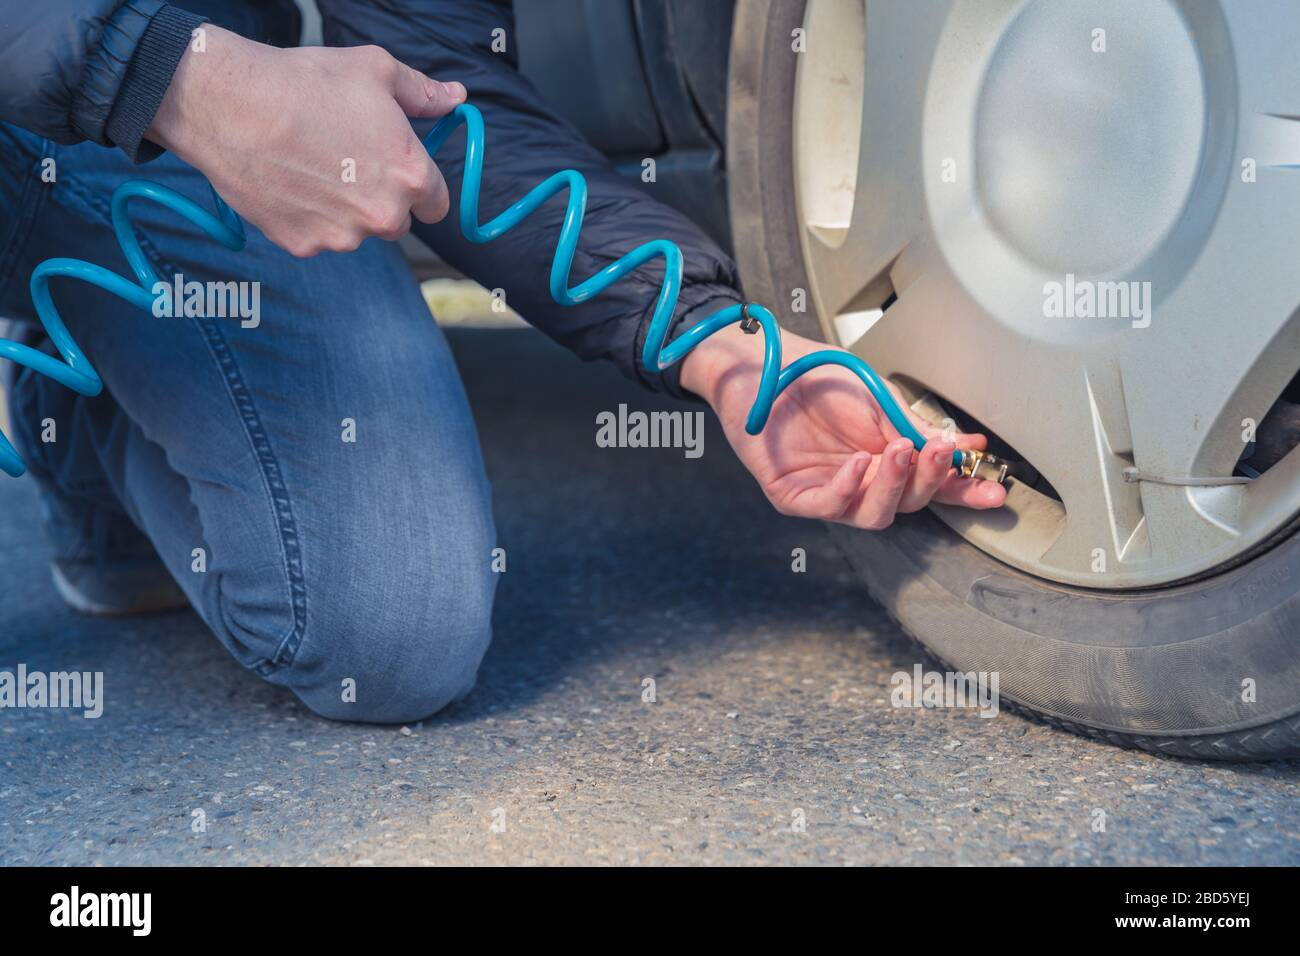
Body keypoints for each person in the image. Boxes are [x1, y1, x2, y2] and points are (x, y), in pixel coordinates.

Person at [0, 0, 1005, 723]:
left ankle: (83, 400)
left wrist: (716, 342)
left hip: (158, 129)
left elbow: (443, 91)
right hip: (122, 75)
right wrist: (163, 67)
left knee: (392, 632)